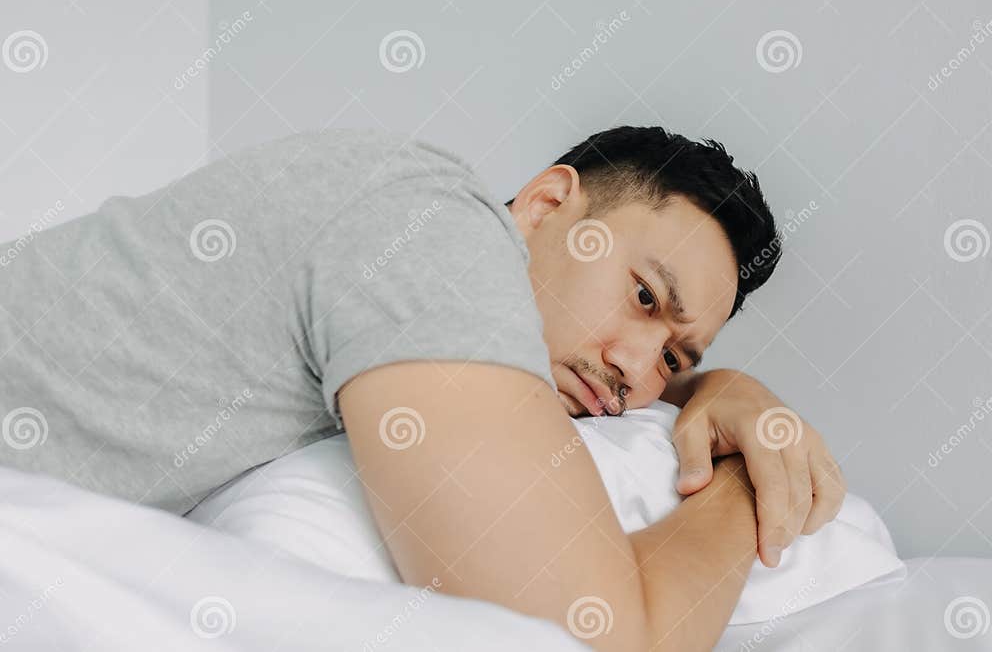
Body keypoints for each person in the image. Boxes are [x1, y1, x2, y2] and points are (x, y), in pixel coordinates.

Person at [0, 125, 845, 651]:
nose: (634, 371)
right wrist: (742, 482)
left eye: (672, 354)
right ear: (546, 204)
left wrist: (729, 389)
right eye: (643, 295)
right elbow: (602, 642)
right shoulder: (435, 231)